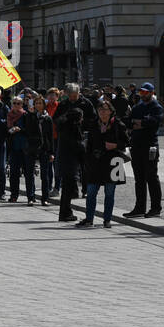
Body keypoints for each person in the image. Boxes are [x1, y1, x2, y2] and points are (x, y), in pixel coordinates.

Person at [78, 101, 129, 228]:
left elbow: (127, 142)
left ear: (111, 111)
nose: (102, 112)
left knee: (109, 193)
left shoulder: (118, 124)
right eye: (100, 109)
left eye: (105, 109)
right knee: (91, 192)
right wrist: (87, 159)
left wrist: (115, 145)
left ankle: (107, 220)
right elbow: (88, 144)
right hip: (95, 163)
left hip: (112, 163)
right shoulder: (94, 124)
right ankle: (89, 219)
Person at [53, 83, 94, 223]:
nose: (72, 99)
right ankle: (65, 212)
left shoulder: (86, 103)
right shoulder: (64, 105)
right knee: (69, 182)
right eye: (70, 96)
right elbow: (56, 120)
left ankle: (67, 210)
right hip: (71, 150)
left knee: (69, 184)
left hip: (79, 136)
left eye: (74, 96)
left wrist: (81, 124)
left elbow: (93, 119)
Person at [124, 82, 163, 218]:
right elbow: (128, 122)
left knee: (151, 177)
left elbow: (153, 122)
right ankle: (139, 208)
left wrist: (139, 123)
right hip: (136, 145)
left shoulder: (156, 107)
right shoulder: (137, 107)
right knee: (139, 178)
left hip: (150, 146)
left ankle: (156, 208)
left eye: (146, 92)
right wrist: (140, 123)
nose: (143, 94)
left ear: (152, 93)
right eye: (141, 92)